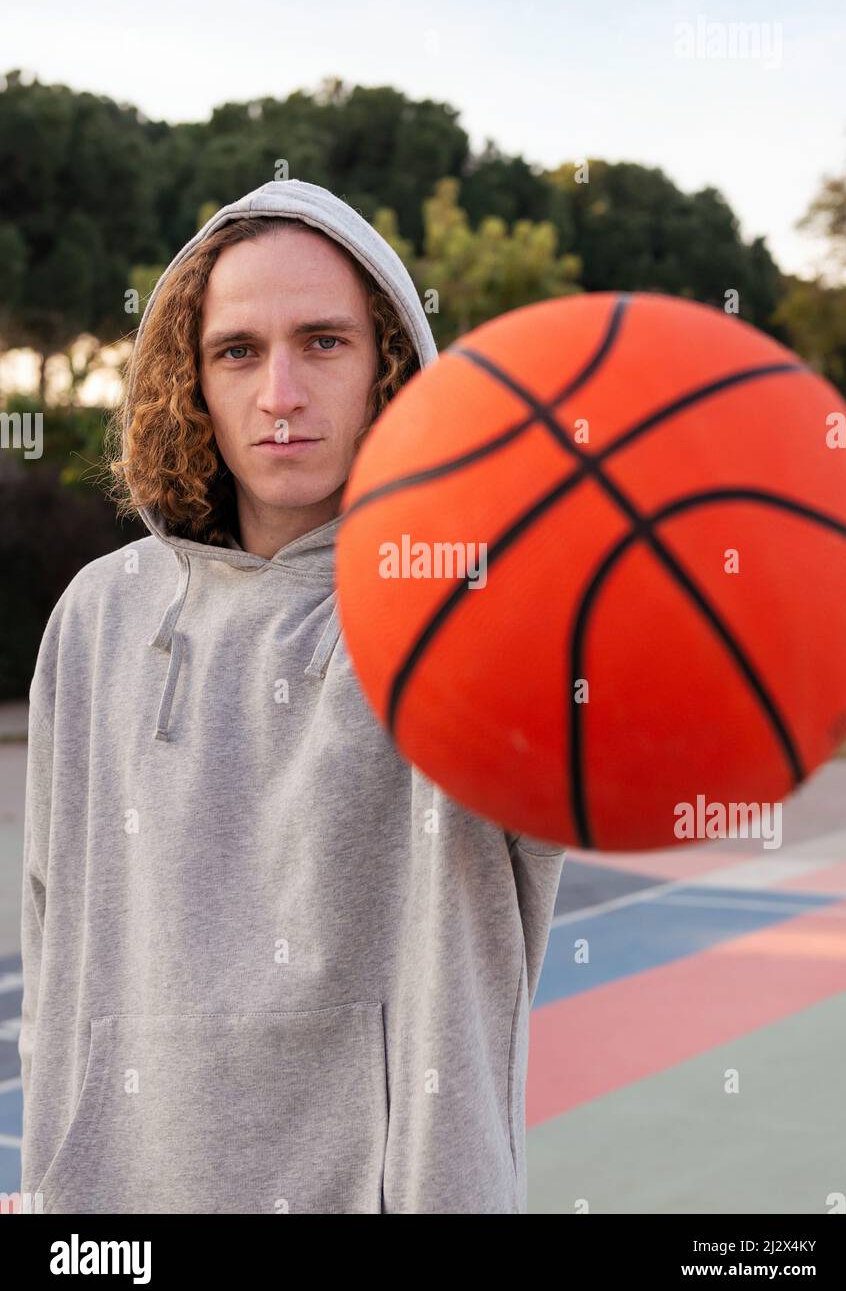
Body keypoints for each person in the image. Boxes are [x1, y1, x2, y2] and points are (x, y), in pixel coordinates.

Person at [18, 177, 566, 1215]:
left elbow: (617, 743)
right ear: (191, 376)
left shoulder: (475, 608)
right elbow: (52, 930)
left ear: (387, 366)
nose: (279, 391)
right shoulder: (99, 615)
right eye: (237, 351)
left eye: (323, 341)